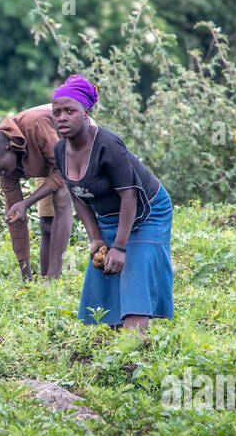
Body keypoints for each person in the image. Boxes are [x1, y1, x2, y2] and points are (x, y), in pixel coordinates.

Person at [52, 75, 173, 331]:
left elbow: (129, 196)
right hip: (108, 216)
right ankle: (115, 353)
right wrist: (95, 238)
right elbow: (78, 194)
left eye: (70, 111)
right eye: (57, 112)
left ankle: (134, 353)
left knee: (133, 274)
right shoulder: (60, 150)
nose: (62, 117)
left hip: (145, 212)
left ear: (86, 113)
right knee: (106, 287)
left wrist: (119, 246)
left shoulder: (108, 144)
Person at [0, 105, 72, 278]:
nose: (1, 174)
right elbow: (15, 219)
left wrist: (27, 202)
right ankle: (41, 281)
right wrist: (25, 275)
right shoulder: (2, 162)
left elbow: (63, 170)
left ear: (9, 148)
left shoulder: (35, 126)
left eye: (1, 169)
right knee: (46, 224)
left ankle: (53, 278)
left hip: (71, 148)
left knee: (62, 196)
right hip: (47, 162)